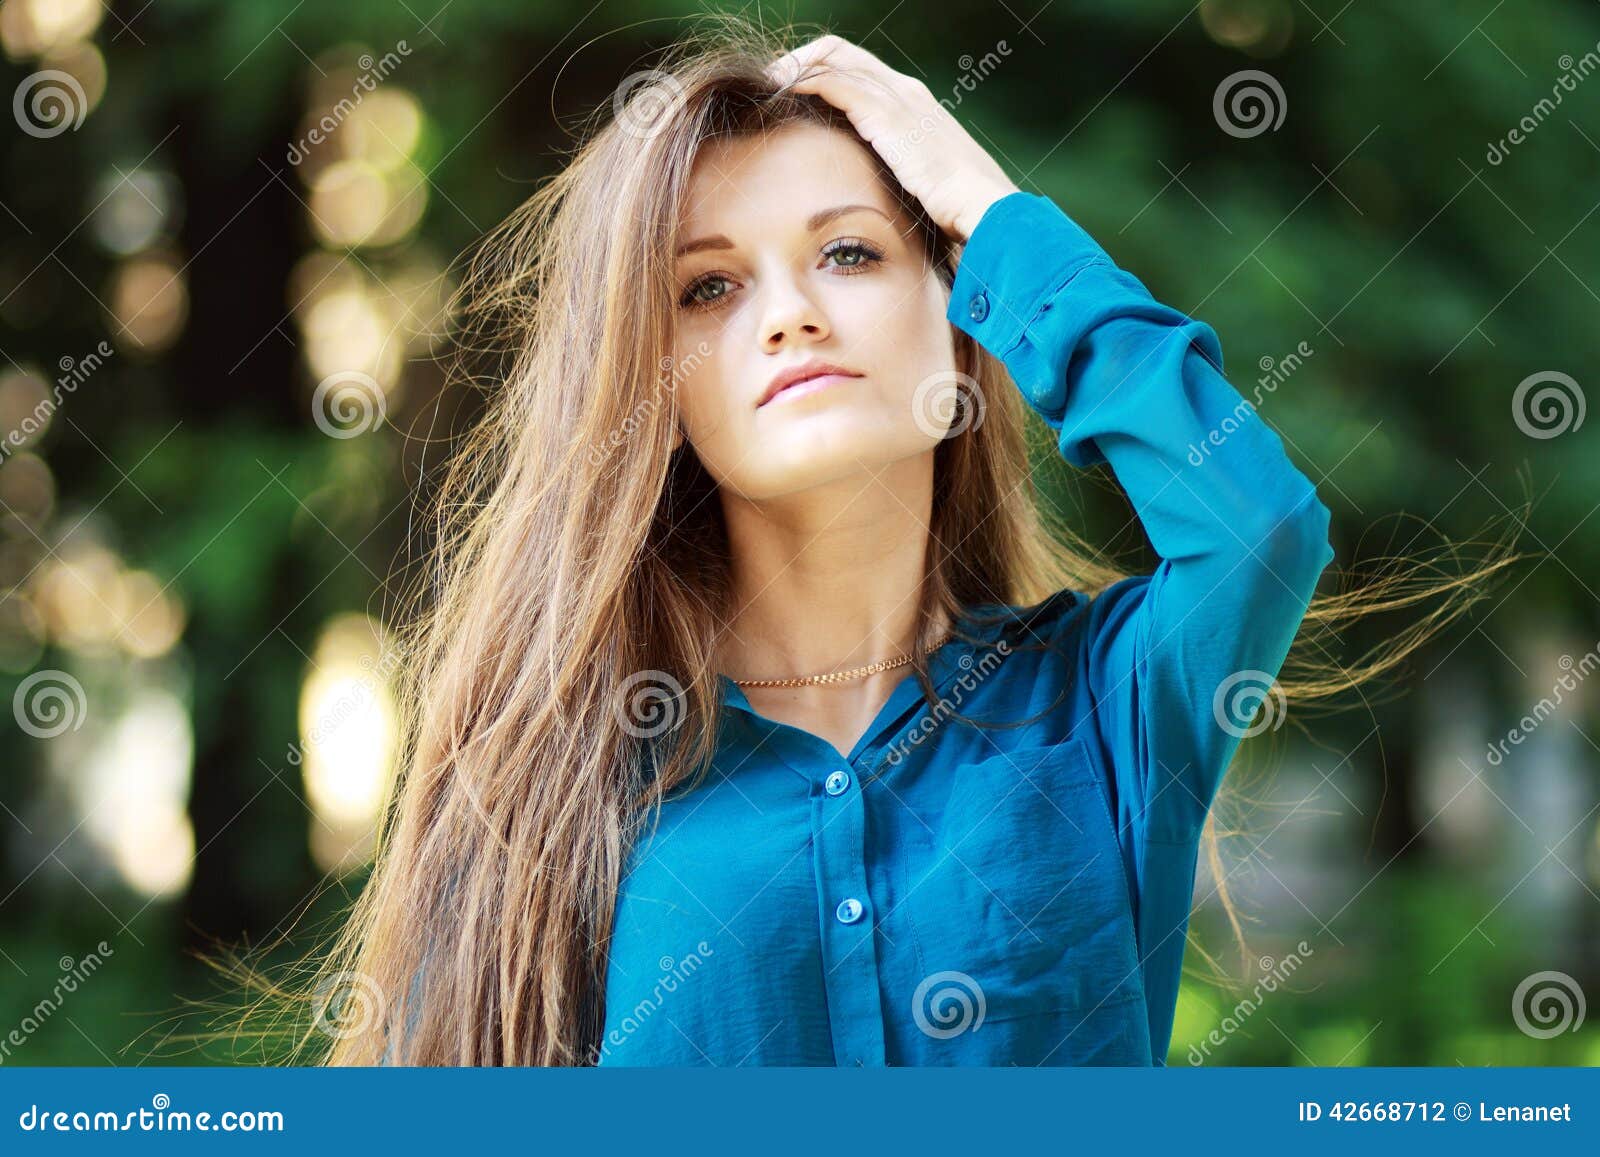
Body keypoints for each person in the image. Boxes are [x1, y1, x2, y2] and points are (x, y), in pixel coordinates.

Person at [262, 21, 1512, 1067]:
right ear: (656, 384)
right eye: (708, 286)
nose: (790, 313)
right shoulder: (554, 768)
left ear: (961, 317)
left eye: (849, 252)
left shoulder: (1103, 705)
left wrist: (984, 199)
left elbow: (1257, 524)